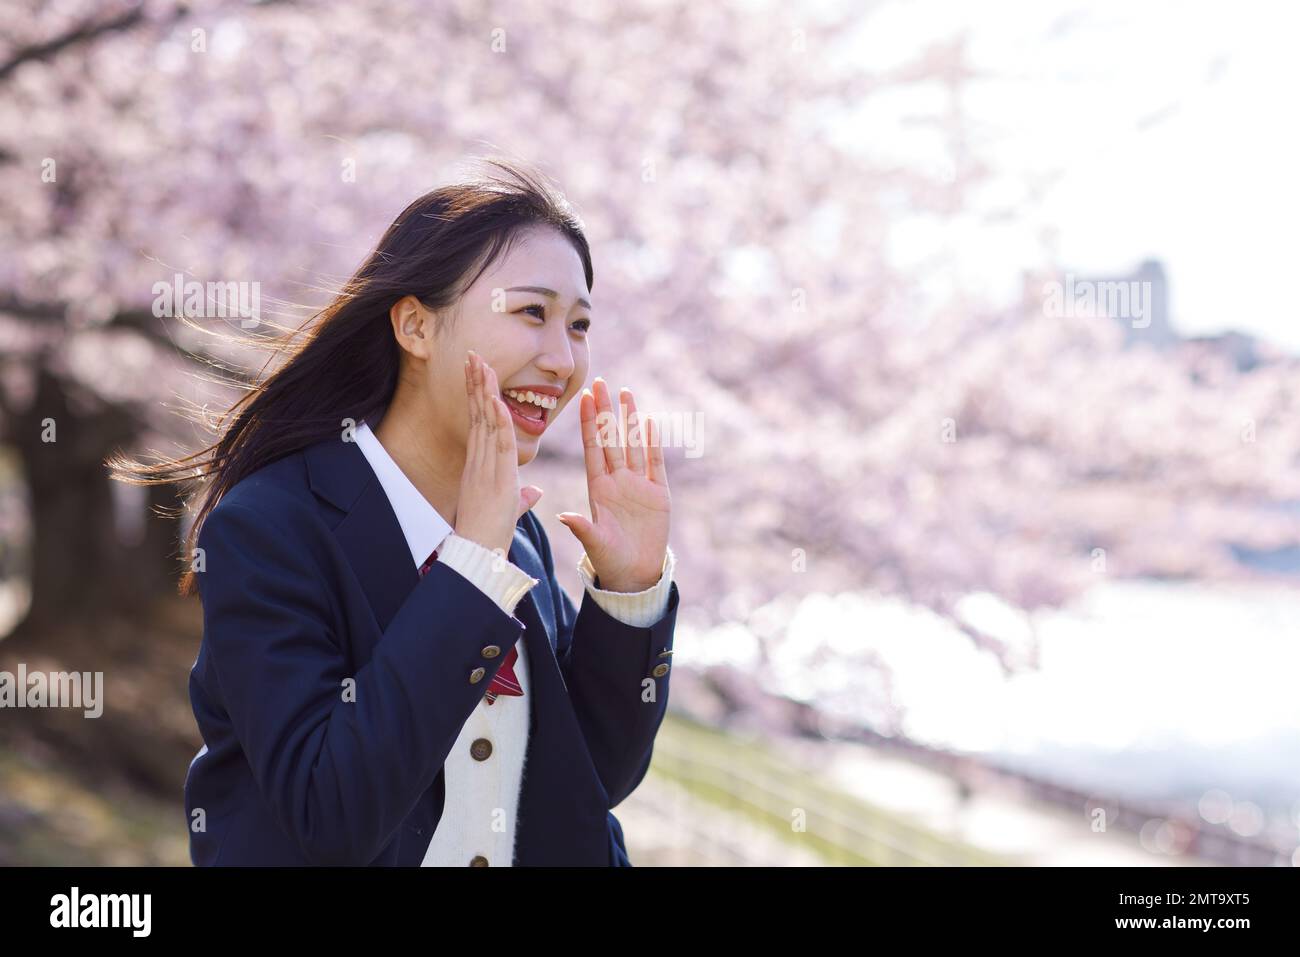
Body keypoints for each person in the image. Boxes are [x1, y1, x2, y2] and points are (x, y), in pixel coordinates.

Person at [108, 157, 679, 865]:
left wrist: (629, 591)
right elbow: (330, 808)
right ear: (415, 325)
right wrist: (471, 570)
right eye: (532, 312)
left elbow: (590, 778)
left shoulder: (522, 533)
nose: (562, 359)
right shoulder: (272, 527)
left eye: (581, 324)